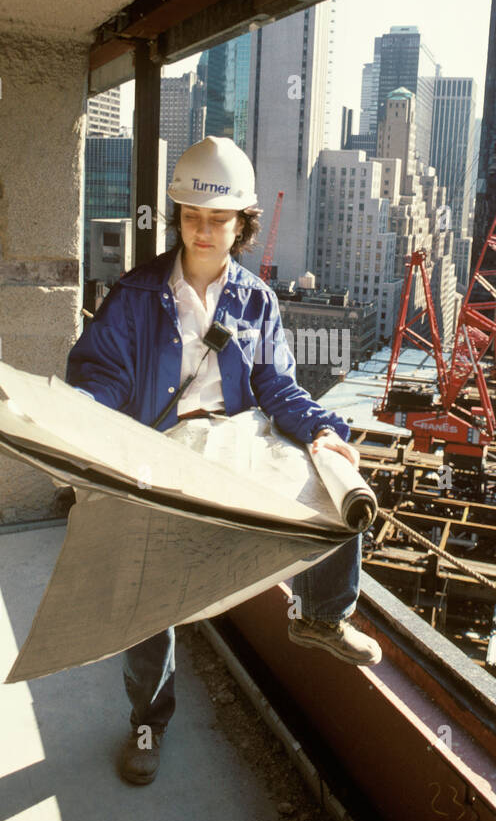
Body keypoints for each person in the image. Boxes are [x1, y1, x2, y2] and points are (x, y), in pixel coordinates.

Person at [66, 136, 381, 784]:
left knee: (338, 485)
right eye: (192, 217)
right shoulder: (136, 297)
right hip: (159, 447)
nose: (204, 232)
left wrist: (323, 429)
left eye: (218, 220)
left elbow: (276, 387)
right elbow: (97, 374)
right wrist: (85, 426)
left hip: (232, 443)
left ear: (242, 226)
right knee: (145, 601)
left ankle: (321, 615)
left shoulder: (257, 301)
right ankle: (148, 725)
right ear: (178, 216)